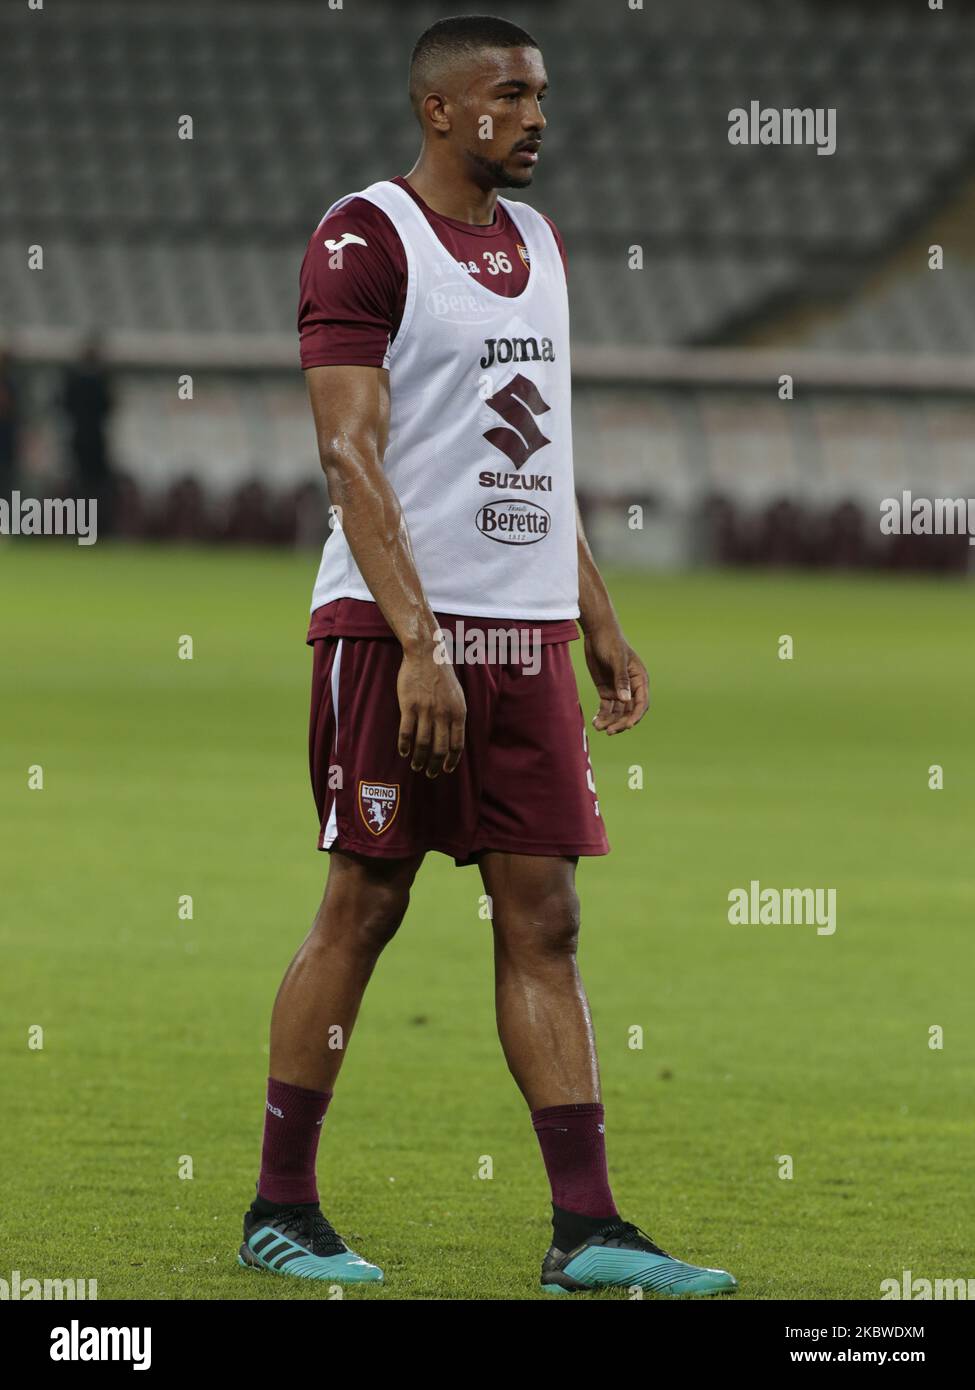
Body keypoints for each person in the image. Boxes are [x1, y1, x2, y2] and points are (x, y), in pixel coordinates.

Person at [238, 14, 736, 1297]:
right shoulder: (364, 237)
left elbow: (536, 455)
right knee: (367, 902)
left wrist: (597, 616)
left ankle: (590, 1230)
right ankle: (280, 1207)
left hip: (524, 636)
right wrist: (417, 643)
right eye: (513, 95)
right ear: (445, 107)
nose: (537, 116)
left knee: (547, 918)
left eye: (543, 95)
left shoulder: (540, 245)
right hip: (394, 634)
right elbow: (349, 456)